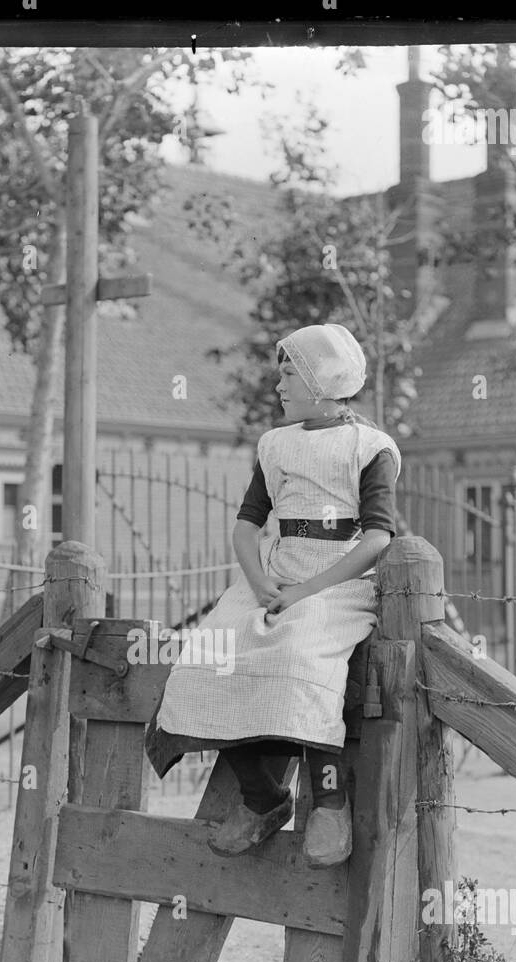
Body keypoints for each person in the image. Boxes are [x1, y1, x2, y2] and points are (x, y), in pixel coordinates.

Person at [144, 323, 401, 868]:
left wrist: (307, 590)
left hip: (337, 582)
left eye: (288, 374)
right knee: (209, 655)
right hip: (273, 573)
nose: (279, 387)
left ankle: (329, 802)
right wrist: (262, 584)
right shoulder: (276, 444)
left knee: (301, 655)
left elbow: (377, 537)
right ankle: (262, 798)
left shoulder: (369, 448)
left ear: (321, 379)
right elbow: (246, 527)